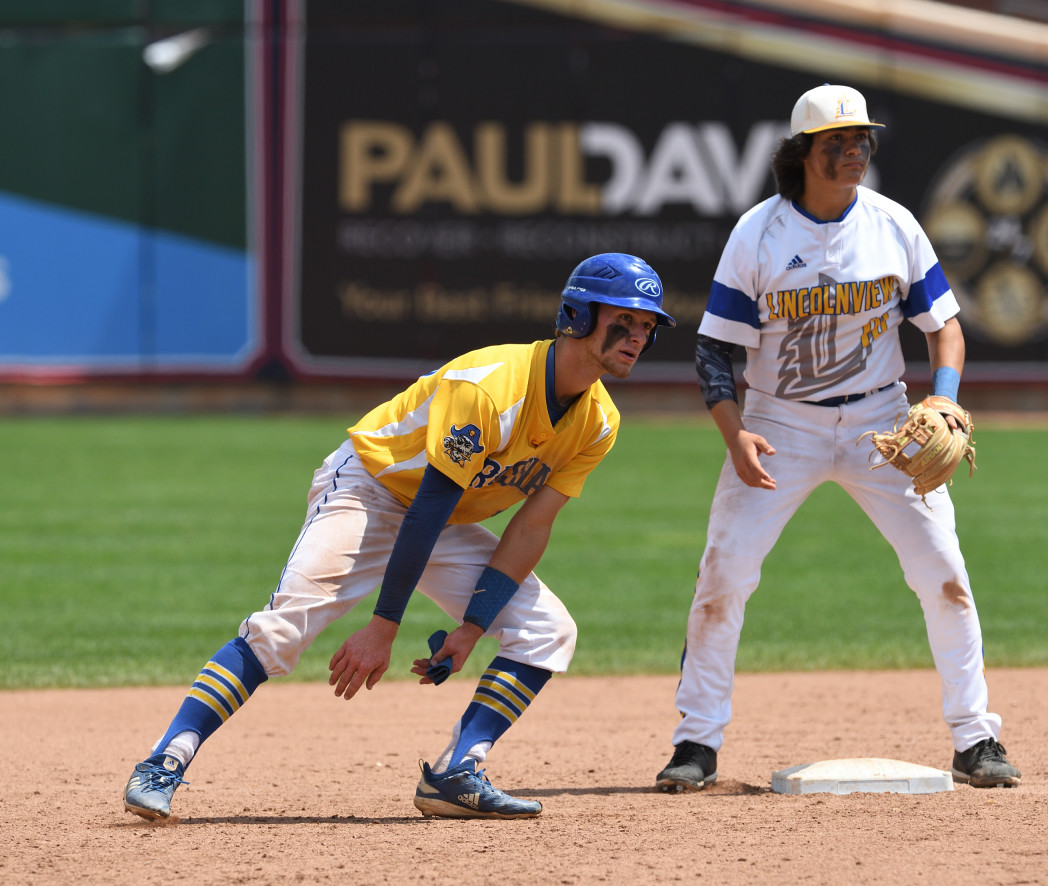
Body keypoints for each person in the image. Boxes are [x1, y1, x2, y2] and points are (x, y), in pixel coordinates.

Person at [122, 252, 675, 821]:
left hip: (443, 518)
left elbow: (532, 525)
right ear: (578, 316)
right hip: (370, 489)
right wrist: (383, 626)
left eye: (647, 326)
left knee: (547, 631)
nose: (637, 335)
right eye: (625, 320)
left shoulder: (599, 422)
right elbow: (428, 503)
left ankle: (458, 771)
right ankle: (165, 760)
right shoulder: (489, 388)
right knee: (285, 625)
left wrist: (473, 626)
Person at [654, 84, 1020, 793]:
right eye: (838, 141)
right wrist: (735, 436)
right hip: (778, 422)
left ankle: (976, 739)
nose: (855, 151)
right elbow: (712, 352)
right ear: (802, 154)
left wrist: (942, 404)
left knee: (944, 574)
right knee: (723, 577)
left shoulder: (893, 225)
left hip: (882, 424)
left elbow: (944, 325)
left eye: (862, 140)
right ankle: (696, 741)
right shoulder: (757, 234)